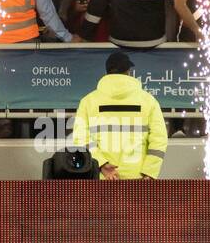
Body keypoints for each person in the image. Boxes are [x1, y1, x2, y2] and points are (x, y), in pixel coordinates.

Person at [72, 51, 168, 180]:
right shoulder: (149, 101)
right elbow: (159, 139)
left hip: (102, 177)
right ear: (129, 71)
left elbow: (80, 138)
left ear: (107, 72)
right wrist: (150, 172)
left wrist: (101, 164)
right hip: (139, 179)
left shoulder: (88, 101)